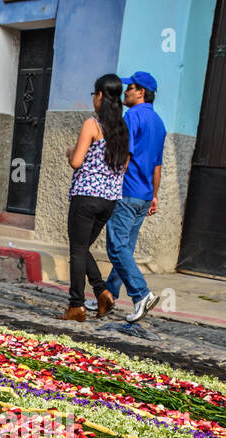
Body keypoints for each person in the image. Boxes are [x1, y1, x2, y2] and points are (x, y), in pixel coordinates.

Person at [56, 74, 129, 321]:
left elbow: (77, 161)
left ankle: (76, 306)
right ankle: (102, 292)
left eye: (93, 95)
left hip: (86, 196)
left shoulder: (92, 124)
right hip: (109, 200)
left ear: (99, 96)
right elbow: (124, 166)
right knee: (82, 247)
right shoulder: (122, 128)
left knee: (77, 251)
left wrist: (70, 152)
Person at [104, 71, 165, 322]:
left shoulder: (132, 116)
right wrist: (154, 196)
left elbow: (124, 156)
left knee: (116, 247)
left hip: (127, 191)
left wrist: (110, 184)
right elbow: (157, 166)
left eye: (130, 87)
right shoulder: (159, 122)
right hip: (144, 194)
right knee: (125, 248)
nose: (125, 91)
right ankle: (106, 297)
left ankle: (141, 294)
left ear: (141, 92)